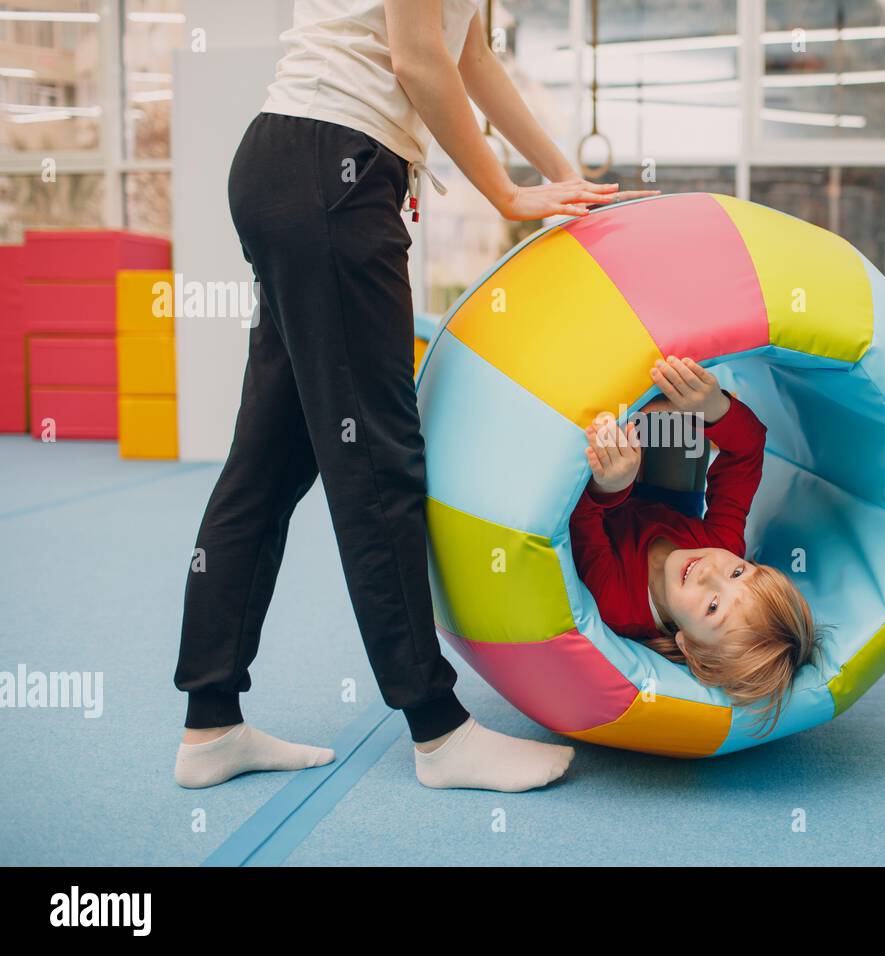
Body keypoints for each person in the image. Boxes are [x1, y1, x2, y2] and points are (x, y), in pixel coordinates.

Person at [172, 0, 657, 793]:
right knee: (378, 462)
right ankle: (438, 732)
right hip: (332, 169)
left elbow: (470, 57)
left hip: (301, 165)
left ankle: (212, 721)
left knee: (269, 462)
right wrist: (505, 193)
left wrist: (560, 176)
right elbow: (416, 60)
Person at [569, 357, 821, 737]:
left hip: (603, 505)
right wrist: (714, 408)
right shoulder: (722, 547)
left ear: (687, 645)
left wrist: (610, 486)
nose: (711, 572)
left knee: (614, 453)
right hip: (662, 496)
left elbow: (579, 523)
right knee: (685, 426)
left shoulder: (618, 605)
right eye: (739, 572)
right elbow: (747, 451)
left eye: (713, 606)